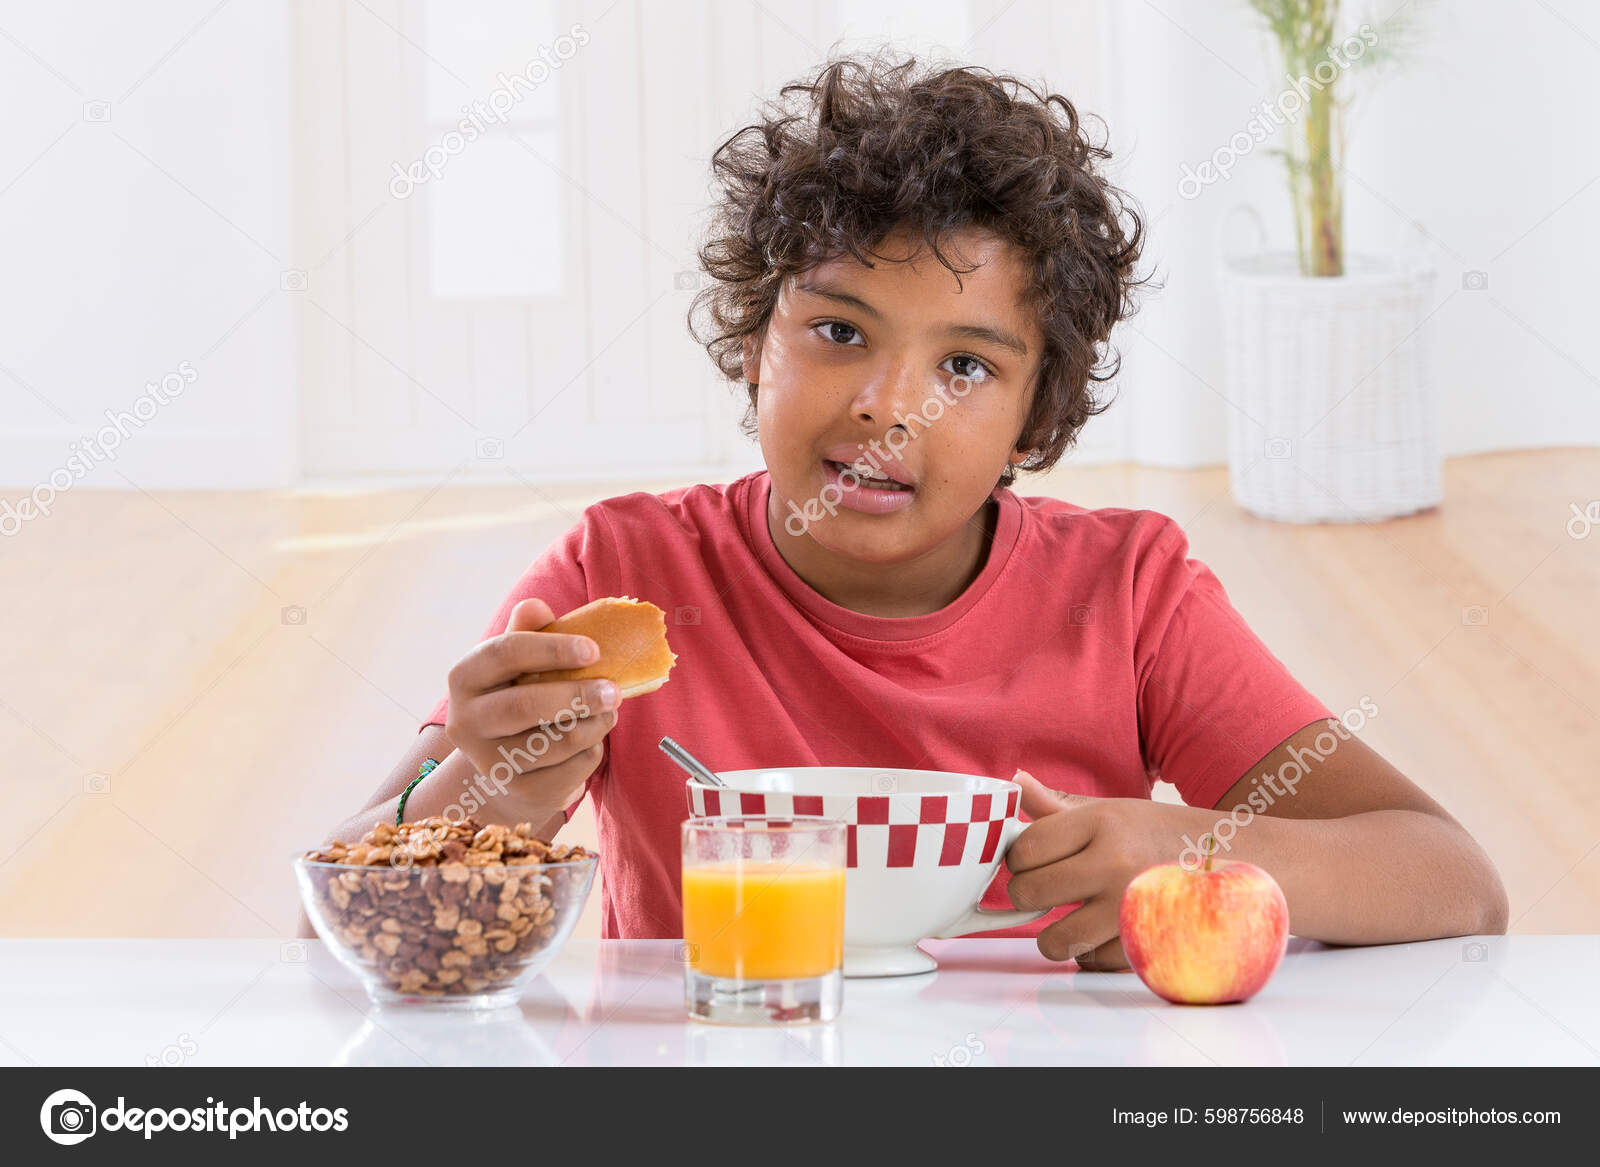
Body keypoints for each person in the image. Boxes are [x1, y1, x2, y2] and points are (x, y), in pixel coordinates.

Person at [321, 51, 1506, 966]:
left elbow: (1451, 880)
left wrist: (1194, 849)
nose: (890, 410)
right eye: (837, 333)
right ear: (751, 346)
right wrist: (495, 790)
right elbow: (356, 916)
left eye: (966, 368)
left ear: (1037, 417)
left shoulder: (1127, 594)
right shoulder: (624, 567)